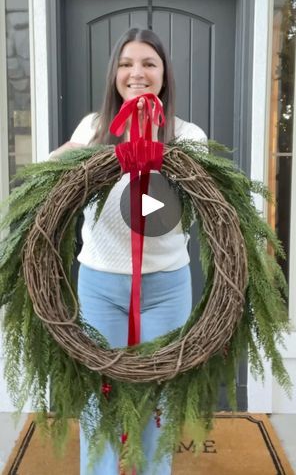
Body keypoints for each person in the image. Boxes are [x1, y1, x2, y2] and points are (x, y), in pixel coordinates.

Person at [50, 28, 207, 475]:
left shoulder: (187, 135)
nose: (136, 73)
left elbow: (207, 198)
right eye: (126, 64)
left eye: (148, 64)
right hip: (100, 284)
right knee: (97, 401)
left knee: (156, 397)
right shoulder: (95, 129)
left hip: (166, 286)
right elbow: (51, 174)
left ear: (164, 74)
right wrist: (76, 155)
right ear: (114, 73)